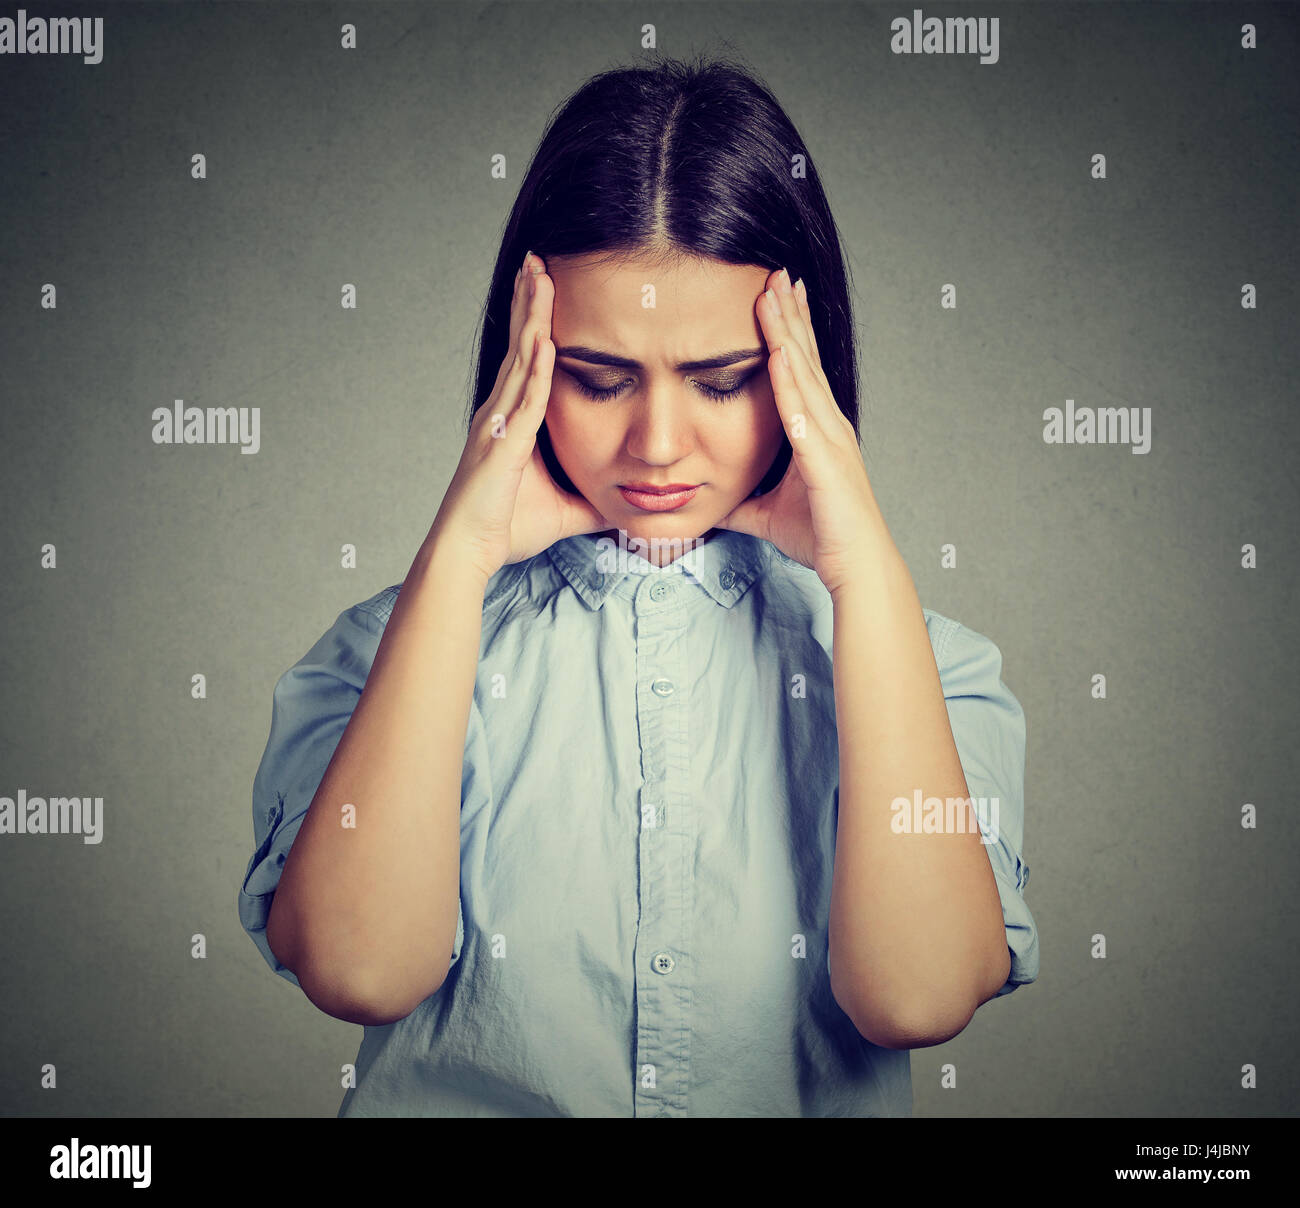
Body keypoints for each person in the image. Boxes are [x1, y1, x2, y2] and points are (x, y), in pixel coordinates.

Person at [237, 54, 1039, 1118]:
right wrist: (456, 559)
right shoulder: (378, 651)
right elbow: (359, 969)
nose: (657, 444)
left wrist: (866, 575)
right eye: (598, 377)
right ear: (524, 358)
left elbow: (919, 992)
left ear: (806, 363)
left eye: (721, 380)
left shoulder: (937, 669)